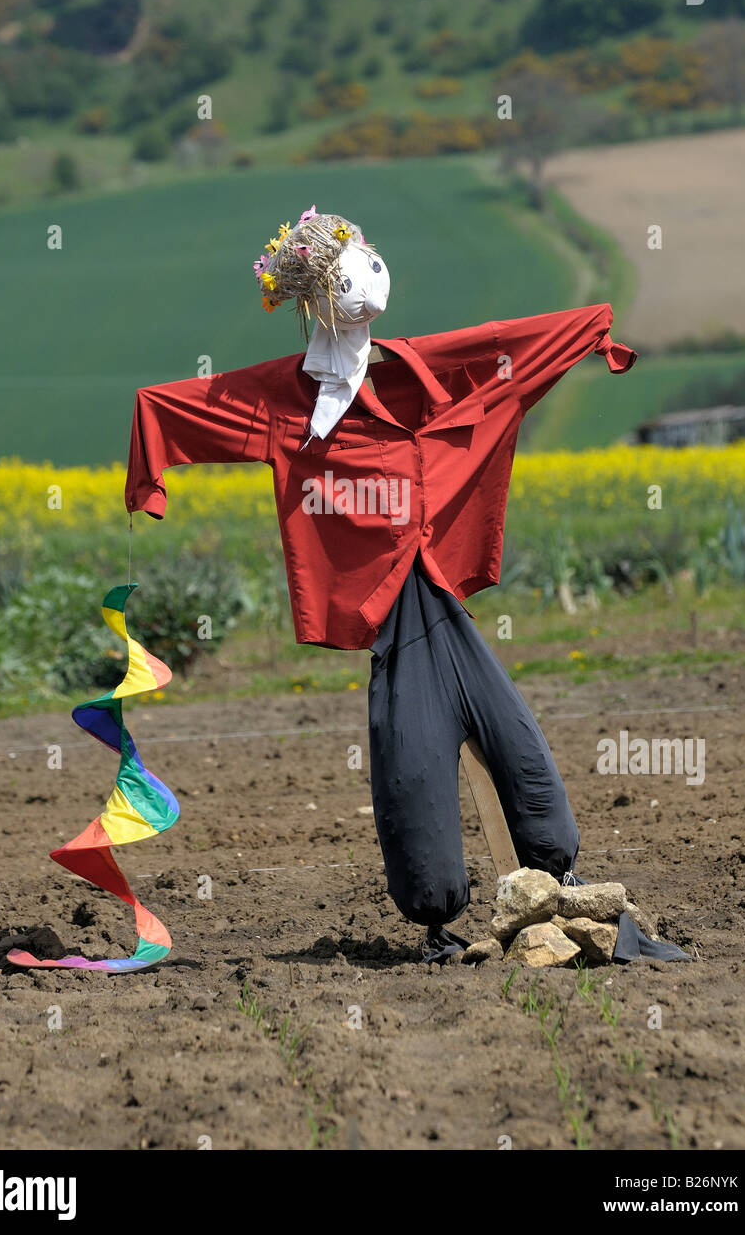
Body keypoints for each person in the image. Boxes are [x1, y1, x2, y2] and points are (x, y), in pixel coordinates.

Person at [126, 206, 687, 963]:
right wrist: (149, 475)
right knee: (413, 786)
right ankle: (437, 914)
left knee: (521, 761)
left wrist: (592, 336)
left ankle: (555, 877)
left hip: (440, 606)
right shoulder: (287, 402)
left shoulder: (439, 376)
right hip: (388, 622)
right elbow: (173, 405)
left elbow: (509, 345)